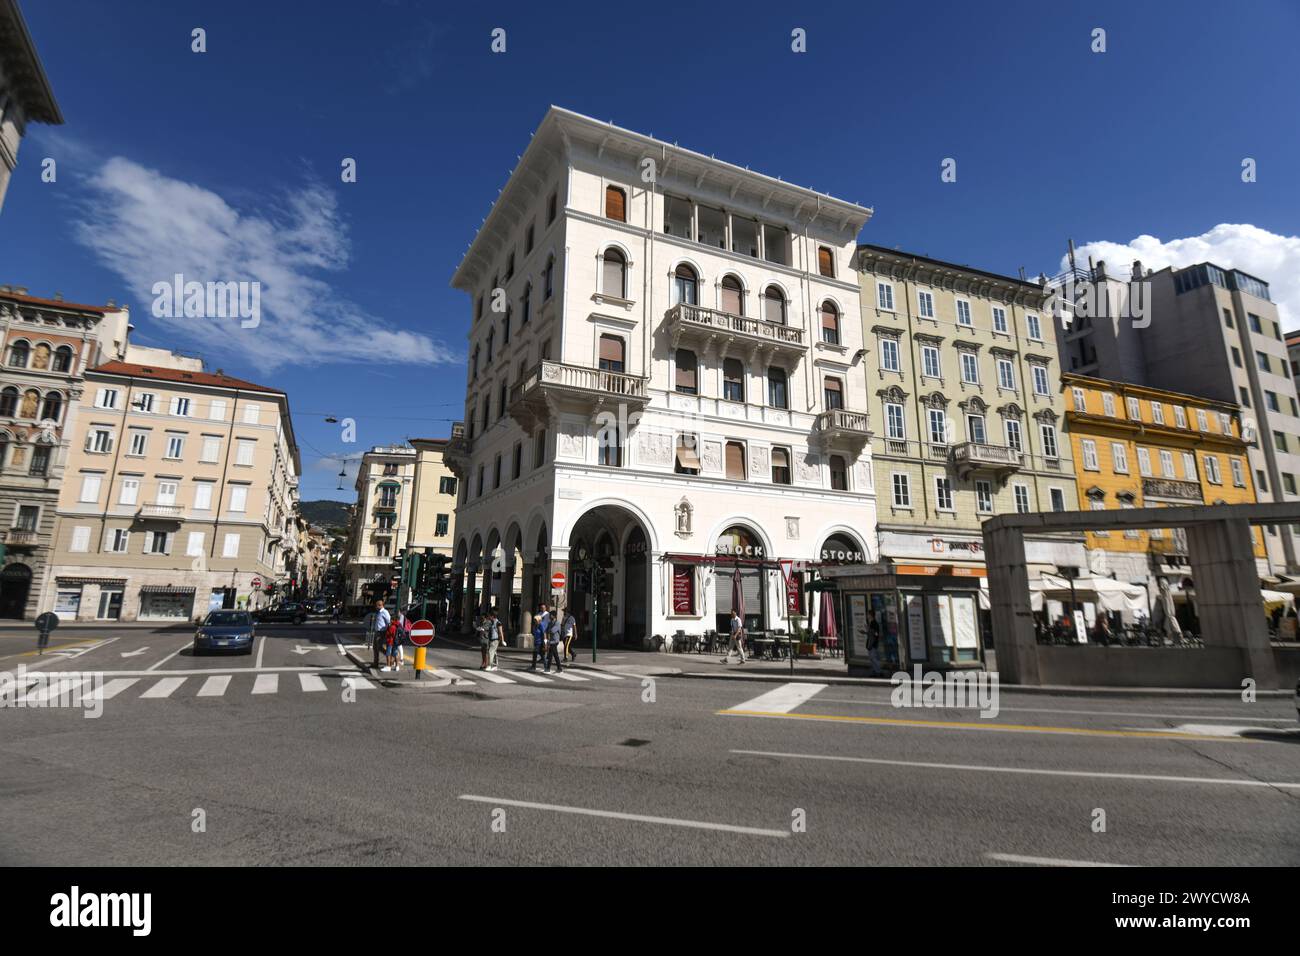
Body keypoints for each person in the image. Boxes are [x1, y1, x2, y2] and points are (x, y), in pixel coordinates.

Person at [371, 599, 391, 671]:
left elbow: (389, 621)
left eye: (376, 605)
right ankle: (375, 663)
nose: (375, 607)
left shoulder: (384, 612)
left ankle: (389, 657)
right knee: (375, 647)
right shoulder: (379, 612)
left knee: (379, 647)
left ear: (380, 605)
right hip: (377, 632)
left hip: (381, 632)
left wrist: (387, 631)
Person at [529, 603, 550, 671]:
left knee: (535, 654)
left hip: (540, 642)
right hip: (536, 642)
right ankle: (546, 667)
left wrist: (545, 643)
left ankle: (533, 666)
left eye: (535, 620)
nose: (534, 621)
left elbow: (544, 634)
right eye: (534, 620)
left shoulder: (541, 625)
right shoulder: (535, 625)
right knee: (542, 655)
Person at [544, 608, 564, 673]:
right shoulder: (550, 623)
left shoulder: (557, 623)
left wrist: (548, 630)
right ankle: (559, 668)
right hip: (551, 641)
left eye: (550, 615)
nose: (549, 616)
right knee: (554, 655)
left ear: (554, 616)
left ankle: (548, 668)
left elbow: (552, 631)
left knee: (550, 655)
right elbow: (546, 630)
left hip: (555, 641)